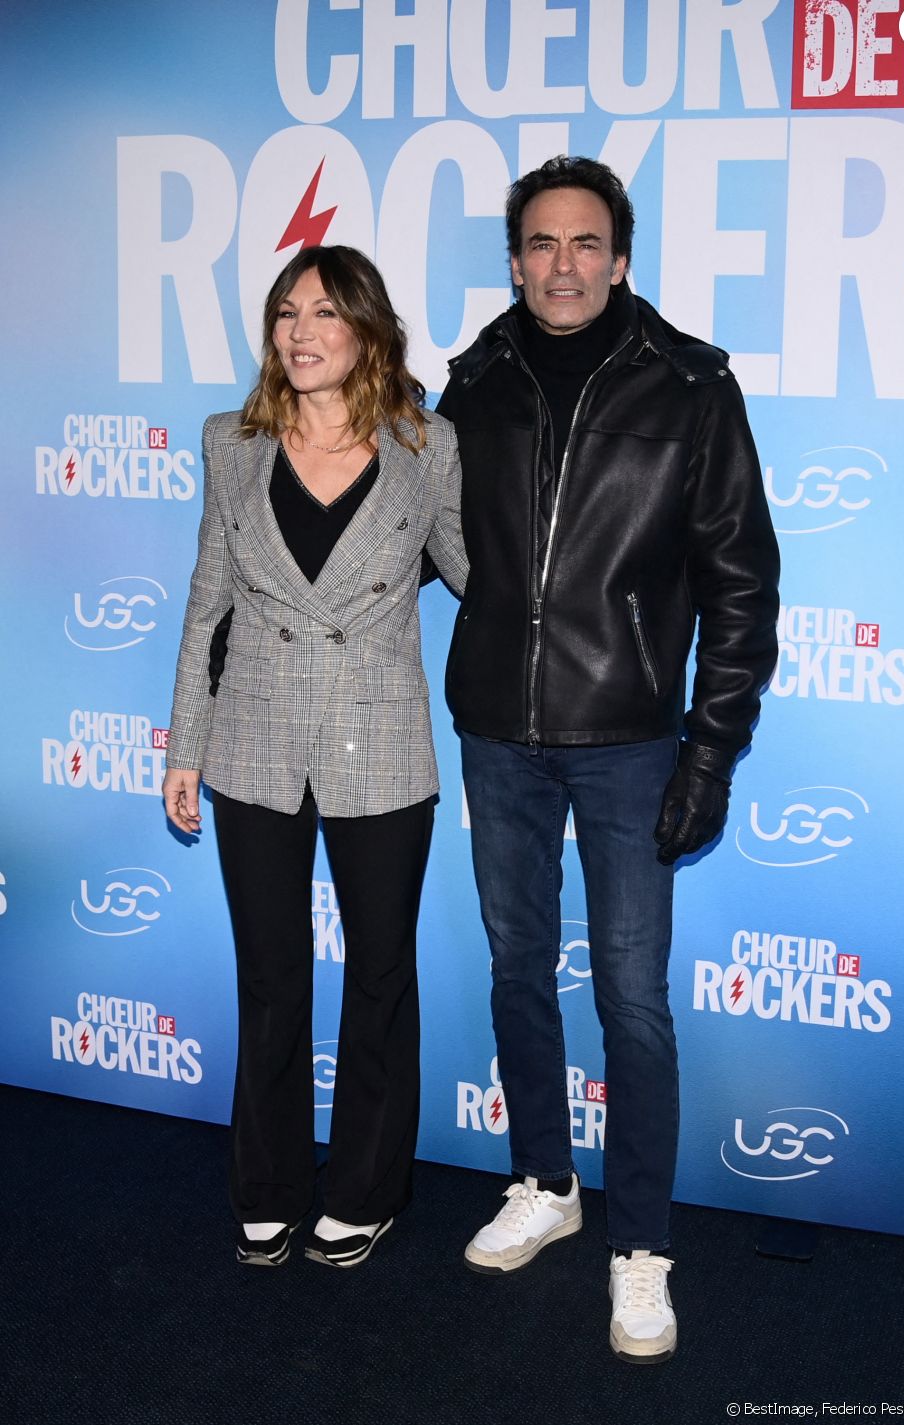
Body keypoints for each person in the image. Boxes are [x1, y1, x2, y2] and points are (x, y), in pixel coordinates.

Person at [437, 156, 779, 1363]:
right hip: (497, 733)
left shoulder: (690, 386)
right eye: (539, 243)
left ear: (619, 258)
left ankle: (640, 1246)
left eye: (585, 243)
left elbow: (742, 586)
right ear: (515, 258)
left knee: (630, 1002)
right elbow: (424, 541)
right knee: (516, 971)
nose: (562, 263)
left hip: (633, 739)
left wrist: (710, 752)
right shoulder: (471, 384)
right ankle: (545, 1180)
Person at [163, 244, 467, 1269]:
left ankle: (368, 1188)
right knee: (271, 974)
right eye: (286, 313)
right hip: (251, 738)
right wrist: (183, 746)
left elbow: (478, 574)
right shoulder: (230, 441)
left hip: (380, 739)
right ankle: (269, 1183)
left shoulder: (428, 447)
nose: (300, 331)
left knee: (379, 975)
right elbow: (208, 597)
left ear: (367, 331)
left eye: (324, 313)